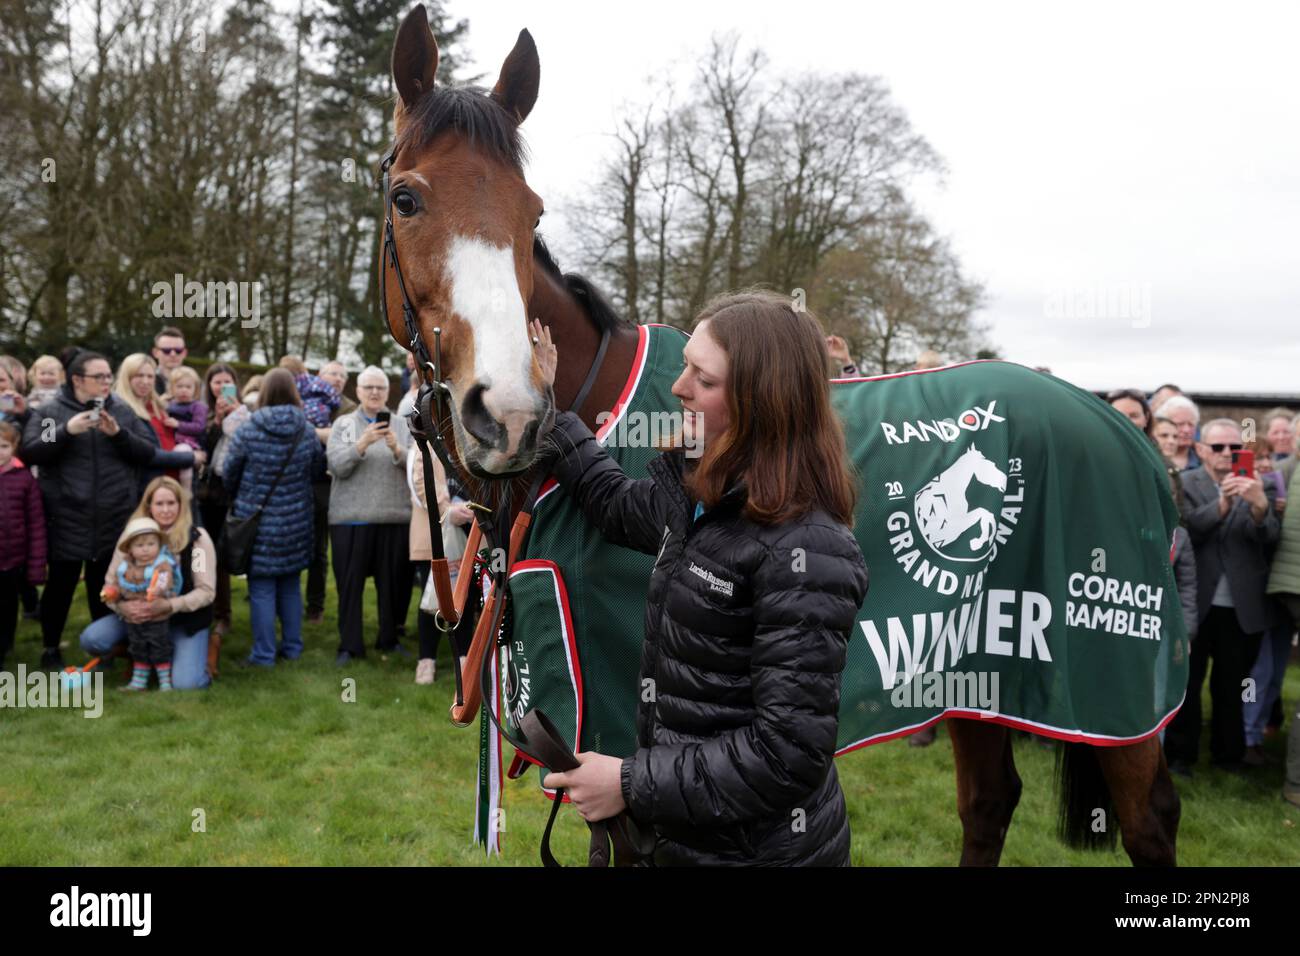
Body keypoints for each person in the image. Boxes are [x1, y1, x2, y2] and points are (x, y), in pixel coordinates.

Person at [535, 293, 870, 867]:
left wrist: (629, 781)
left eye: (703, 378)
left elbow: (787, 754)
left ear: (761, 403)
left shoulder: (808, 548)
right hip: (687, 839)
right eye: (685, 364)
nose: (678, 386)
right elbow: (615, 504)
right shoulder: (695, 492)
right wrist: (553, 409)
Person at [21, 350, 158, 669]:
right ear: (78, 380)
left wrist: (117, 434)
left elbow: (147, 452)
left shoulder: (121, 411)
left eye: (109, 376)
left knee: (105, 586)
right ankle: (51, 647)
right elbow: (31, 450)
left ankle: (105, 649)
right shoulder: (51, 412)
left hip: (112, 515)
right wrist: (67, 431)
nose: (107, 382)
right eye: (100, 377)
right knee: (61, 586)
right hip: (66, 516)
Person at [1165, 419, 1280, 775]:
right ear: (1201, 450)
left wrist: (1260, 506)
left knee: (1235, 684)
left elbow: (1269, 538)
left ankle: (1229, 756)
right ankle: (1181, 756)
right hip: (1196, 600)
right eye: (1218, 447)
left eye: (1234, 448)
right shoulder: (1185, 483)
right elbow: (1184, 532)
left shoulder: (1257, 484)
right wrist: (1222, 506)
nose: (1227, 454)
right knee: (1189, 680)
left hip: (1241, 604)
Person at [223, 368, 324, 667]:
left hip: (258, 522)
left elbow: (229, 472)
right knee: (291, 585)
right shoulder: (305, 429)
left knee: (262, 589)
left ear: (264, 392)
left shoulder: (249, 428)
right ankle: (293, 647)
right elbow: (316, 468)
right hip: (296, 520)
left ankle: (264, 654)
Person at [79, 476, 216, 690]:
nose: (165, 510)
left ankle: (201, 656)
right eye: (159, 504)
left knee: (186, 684)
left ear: (181, 505)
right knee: (92, 639)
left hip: (184, 619)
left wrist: (170, 605)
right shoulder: (131, 538)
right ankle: (147, 656)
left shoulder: (196, 540)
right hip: (138, 616)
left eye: (171, 503)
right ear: (149, 507)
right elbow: (110, 583)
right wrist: (123, 608)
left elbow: (206, 591)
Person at [326, 366, 412, 666]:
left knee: (392, 587)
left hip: (394, 517)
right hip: (351, 518)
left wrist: (397, 450)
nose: (374, 392)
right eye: (368, 387)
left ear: (388, 393)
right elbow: (336, 466)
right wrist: (360, 445)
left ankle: (389, 638)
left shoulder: (402, 424)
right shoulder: (343, 425)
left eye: (380, 388)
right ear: (357, 391)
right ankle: (349, 645)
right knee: (350, 587)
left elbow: (417, 468)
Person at [407, 431, 473, 684]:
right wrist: (447, 511)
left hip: (471, 529)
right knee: (431, 596)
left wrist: (475, 509)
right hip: (434, 530)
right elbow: (420, 481)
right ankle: (426, 661)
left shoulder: (472, 434)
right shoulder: (428, 440)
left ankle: (465, 660)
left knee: (465, 597)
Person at [196, 363, 247, 659]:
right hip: (208, 493)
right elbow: (204, 449)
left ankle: (224, 614)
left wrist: (238, 416)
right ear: (210, 386)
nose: (222, 387)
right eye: (217, 382)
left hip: (235, 490)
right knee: (206, 554)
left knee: (227, 555)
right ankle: (206, 610)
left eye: (227, 382)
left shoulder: (245, 412)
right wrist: (216, 420)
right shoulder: (201, 412)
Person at [99, 518, 183, 691]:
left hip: (156, 616)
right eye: (139, 545)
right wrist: (111, 593)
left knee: (159, 646)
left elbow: (164, 581)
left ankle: (165, 681)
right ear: (129, 549)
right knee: (138, 647)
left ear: (158, 545)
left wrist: (158, 590)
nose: (145, 549)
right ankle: (139, 681)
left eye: (151, 544)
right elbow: (115, 584)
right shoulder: (124, 567)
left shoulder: (162, 564)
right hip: (134, 618)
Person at [305, 360, 356, 623]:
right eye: (331, 374)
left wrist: (314, 431)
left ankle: (329, 608)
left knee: (336, 549)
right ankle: (314, 604)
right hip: (306, 481)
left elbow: (348, 441)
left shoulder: (349, 408)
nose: (336, 378)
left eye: (341, 375)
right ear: (319, 377)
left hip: (336, 484)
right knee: (314, 549)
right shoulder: (304, 398)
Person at [0, 421, 47, 672]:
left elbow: (36, 523)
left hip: (12, 558)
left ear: (14, 447)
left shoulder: (24, 478)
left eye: (4, 446)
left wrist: (36, 565)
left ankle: (5, 645)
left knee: (8, 606)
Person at [113, 353, 199, 487]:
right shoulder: (121, 409)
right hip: (149, 488)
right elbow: (146, 455)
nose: (145, 381)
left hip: (175, 483)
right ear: (127, 377)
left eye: (150, 376)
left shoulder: (160, 406)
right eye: (139, 375)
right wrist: (191, 458)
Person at [1160, 395, 1201, 471]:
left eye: (1191, 424)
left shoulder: (1204, 460)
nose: (1186, 430)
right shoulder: (1153, 460)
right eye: (1180, 424)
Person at [152, 326, 188, 395]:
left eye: (178, 350)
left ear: (185, 353)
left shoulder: (196, 383)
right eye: (166, 350)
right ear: (155, 353)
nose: (173, 354)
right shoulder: (146, 381)